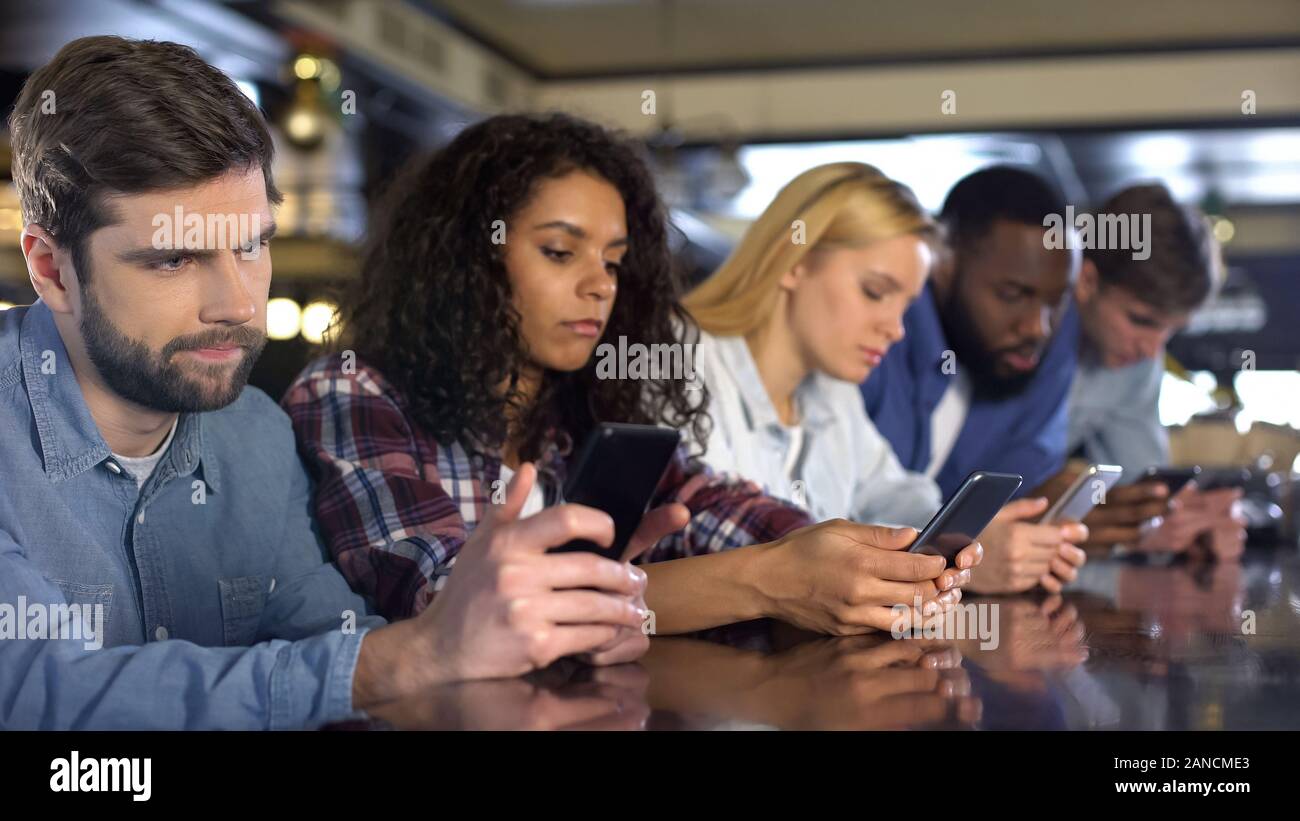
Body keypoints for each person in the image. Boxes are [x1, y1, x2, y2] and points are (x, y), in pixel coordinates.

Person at [1, 36, 652, 730]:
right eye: (173, 259)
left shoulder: (254, 432)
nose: (239, 304)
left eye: (252, 245)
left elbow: (328, 638)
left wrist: (540, 637)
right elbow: (39, 694)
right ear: (51, 268)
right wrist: (405, 659)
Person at [283, 113, 982, 639]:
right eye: (560, 252)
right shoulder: (353, 393)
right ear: (465, 257)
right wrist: (772, 579)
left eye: (614, 261)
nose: (599, 286)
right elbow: (460, 608)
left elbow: (717, 504)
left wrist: (857, 561)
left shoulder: (581, 407)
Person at [682, 162, 1086, 594]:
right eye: (875, 292)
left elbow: (895, 498)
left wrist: (966, 545)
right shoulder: (680, 367)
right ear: (794, 260)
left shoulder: (832, 393)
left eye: (905, 304)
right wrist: (942, 558)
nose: (895, 329)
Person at [861, 166, 1081, 499]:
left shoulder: (1033, 355)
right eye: (1011, 295)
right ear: (943, 262)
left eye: (1056, 302)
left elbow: (1024, 486)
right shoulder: (877, 340)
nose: (1038, 327)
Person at [1058, 183, 1242, 557]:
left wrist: (1184, 527)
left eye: (1170, 330)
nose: (1152, 349)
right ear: (1087, 281)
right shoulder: (1019, 337)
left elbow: (1145, 488)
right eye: (1141, 319)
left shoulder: (1137, 368)